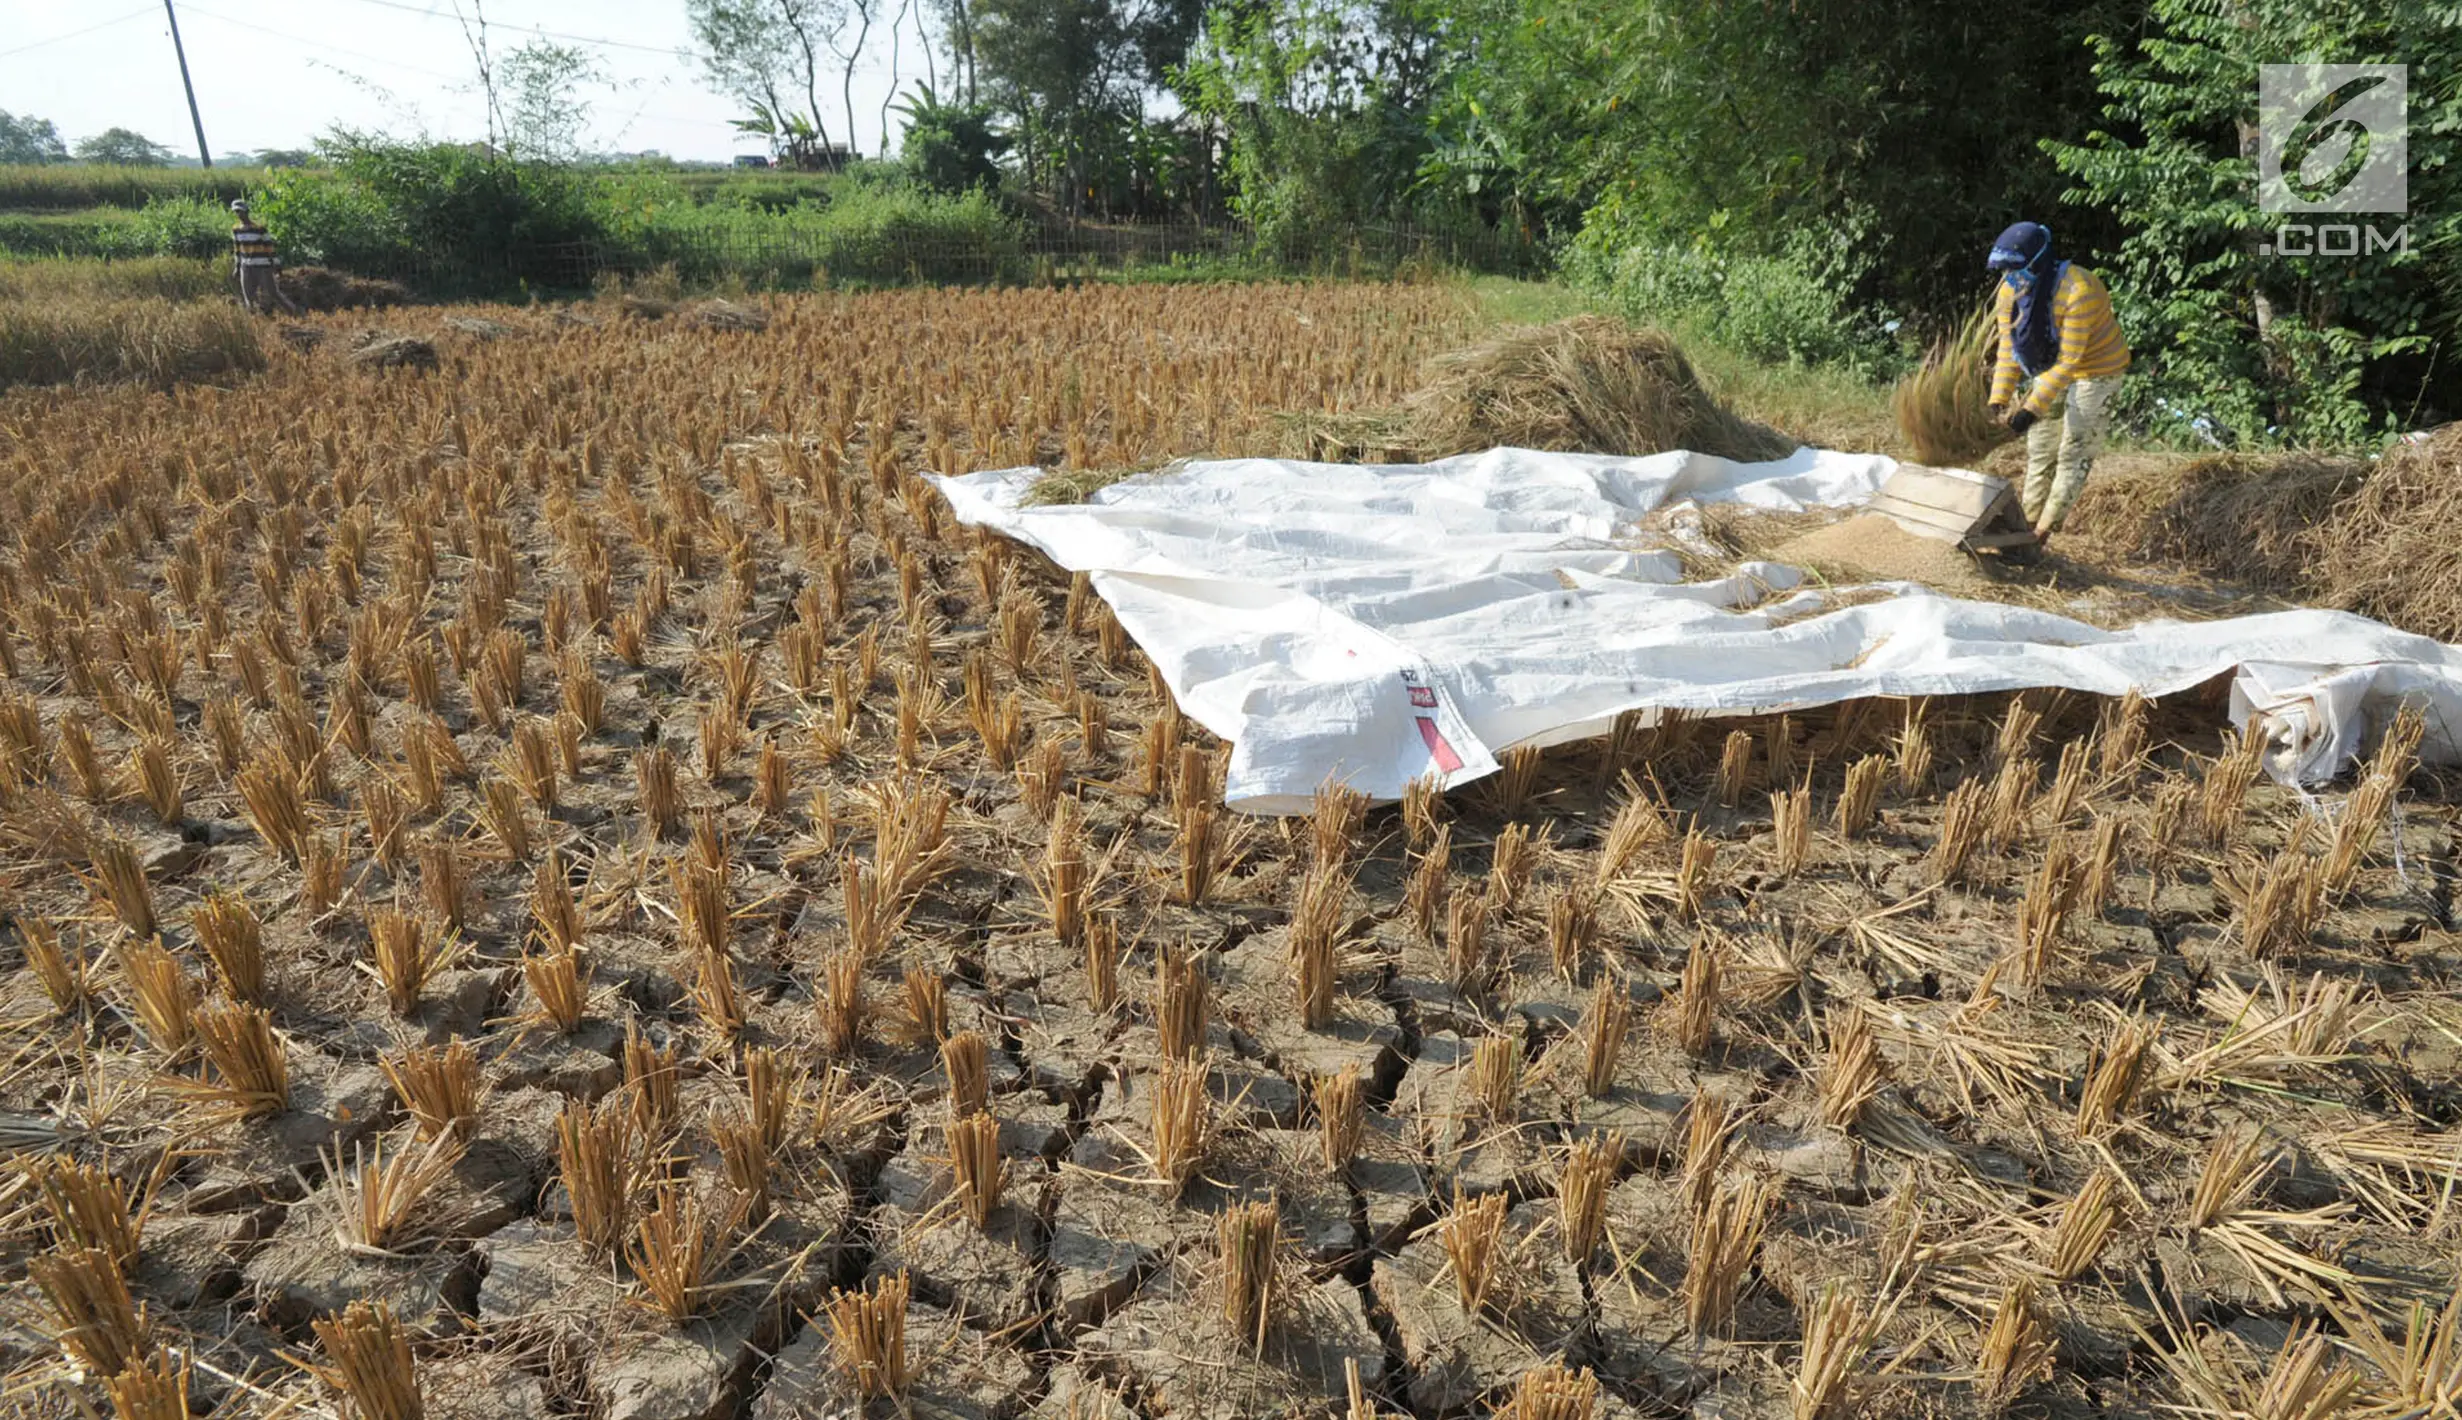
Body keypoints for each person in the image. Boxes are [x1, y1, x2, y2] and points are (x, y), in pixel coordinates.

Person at [1985, 221, 2129, 548]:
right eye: (2005, 270)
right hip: (2049, 368)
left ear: (2037, 261)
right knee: (2040, 450)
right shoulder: (2010, 292)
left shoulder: (2080, 290)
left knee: (2073, 450)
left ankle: (2040, 535)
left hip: (2097, 371)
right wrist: (1999, 400)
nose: (2010, 277)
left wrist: (2030, 409)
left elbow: (2070, 361)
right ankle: (2025, 524)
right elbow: (2008, 349)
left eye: (2016, 269)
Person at [229, 199, 299, 315]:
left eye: (241, 211)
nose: (239, 214)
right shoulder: (236, 230)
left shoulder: (259, 229)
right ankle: (254, 322)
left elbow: (269, 248)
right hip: (246, 266)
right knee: (249, 296)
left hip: (262, 266)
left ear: (247, 212)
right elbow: (237, 249)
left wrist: (276, 265)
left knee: (273, 293)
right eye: (236, 212)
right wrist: (237, 266)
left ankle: (294, 312)